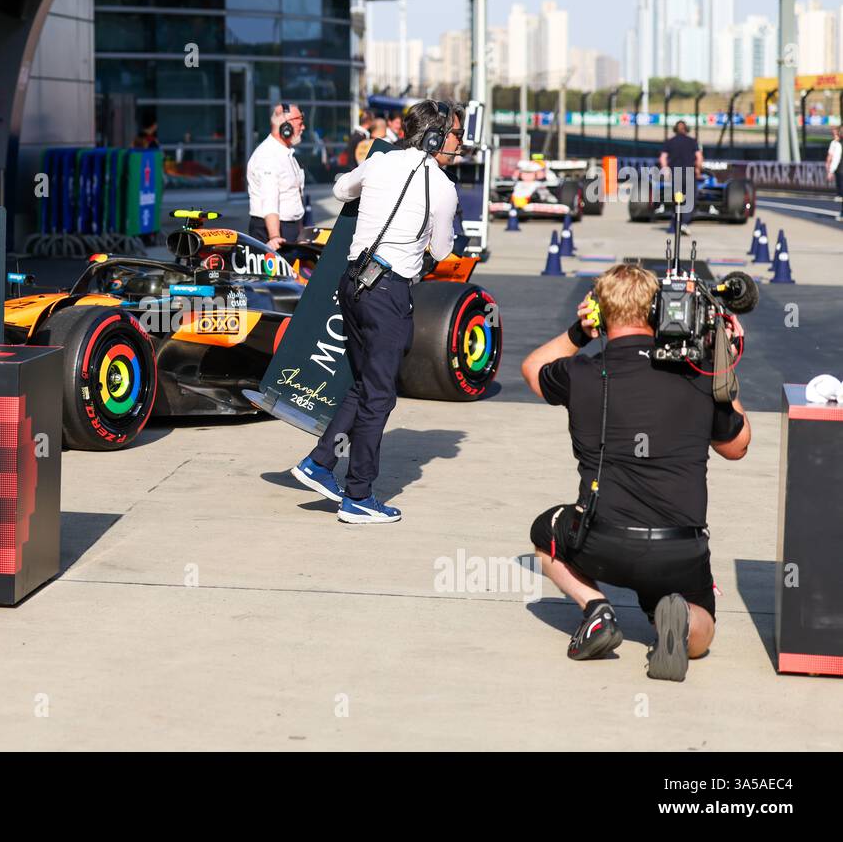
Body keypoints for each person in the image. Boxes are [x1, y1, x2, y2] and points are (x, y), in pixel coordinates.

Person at [520, 263, 751, 682]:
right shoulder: (697, 374)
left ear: (599, 312)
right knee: (704, 624)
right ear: (655, 311)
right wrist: (722, 368)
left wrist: (578, 333)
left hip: (602, 540)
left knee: (544, 532)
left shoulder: (582, 373)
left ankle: (596, 608)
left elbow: (533, 368)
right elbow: (738, 446)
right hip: (678, 549)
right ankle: (679, 625)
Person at [290, 100, 463, 524]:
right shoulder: (441, 186)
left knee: (365, 383)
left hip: (352, 283)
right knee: (380, 396)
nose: (461, 144)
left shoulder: (380, 162)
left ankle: (320, 462)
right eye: (456, 135)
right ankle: (359, 496)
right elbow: (441, 251)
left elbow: (340, 190)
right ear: (436, 137)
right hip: (388, 292)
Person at [246, 102, 306, 249]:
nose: (303, 127)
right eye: (300, 122)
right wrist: (274, 237)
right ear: (286, 126)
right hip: (272, 231)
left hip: (289, 229)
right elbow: (269, 201)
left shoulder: (285, 153)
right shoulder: (268, 156)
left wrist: (300, 232)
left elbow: (292, 197)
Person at [659, 120, 703, 235]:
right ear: (686, 129)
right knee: (689, 200)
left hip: (676, 174)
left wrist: (666, 169)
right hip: (689, 173)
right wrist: (698, 170)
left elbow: (663, 158)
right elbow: (699, 157)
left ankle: (675, 224)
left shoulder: (670, 142)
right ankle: (684, 223)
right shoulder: (692, 141)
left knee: (678, 200)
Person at [826, 126, 843, 216]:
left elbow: (834, 158)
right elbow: (833, 157)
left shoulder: (837, 144)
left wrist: (830, 171)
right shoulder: (836, 143)